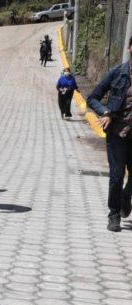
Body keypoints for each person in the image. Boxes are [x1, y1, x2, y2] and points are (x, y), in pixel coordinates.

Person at [87, 36, 132, 232]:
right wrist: (105, 112)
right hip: (117, 133)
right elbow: (93, 97)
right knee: (116, 175)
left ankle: (124, 197)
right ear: (130, 48)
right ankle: (114, 214)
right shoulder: (117, 73)